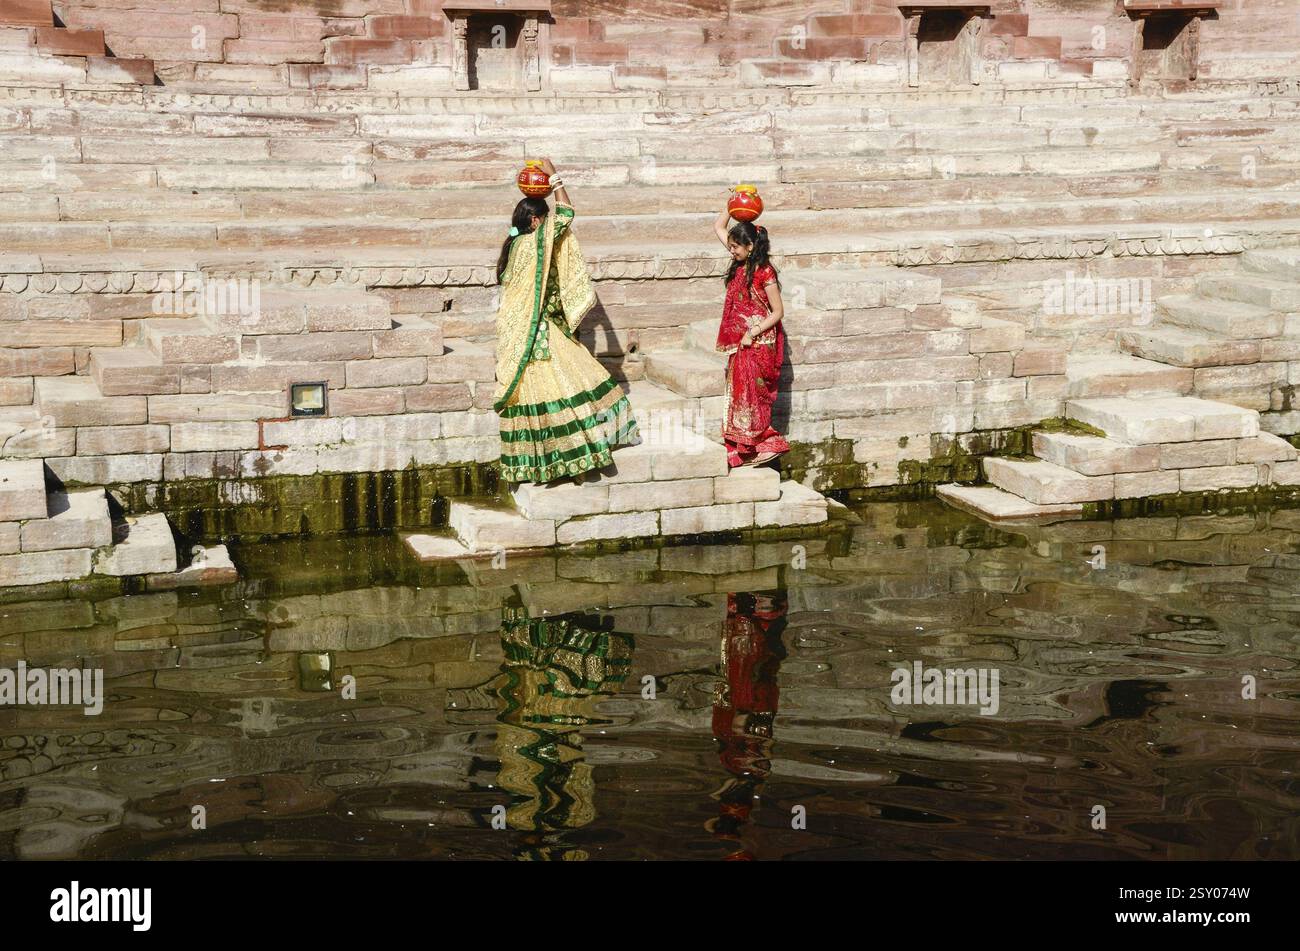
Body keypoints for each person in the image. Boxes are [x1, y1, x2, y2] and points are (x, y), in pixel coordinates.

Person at [493, 158, 638, 483]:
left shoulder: (513, 245)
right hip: (541, 334)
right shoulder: (534, 242)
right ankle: (579, 457)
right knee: (574, 381)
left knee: (537, 398)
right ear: (534, 221)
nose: (548, 225)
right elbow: (567, 213)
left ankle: (541, 468)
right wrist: (554, 174)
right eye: (544, 220)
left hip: (518, 338)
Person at [712, 197, 790, 468]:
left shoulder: (764, 272)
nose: (731, 251)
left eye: (735, 247)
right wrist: (731, 203)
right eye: (730, 246)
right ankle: (743, 448)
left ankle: (763, 445)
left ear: (750, 246)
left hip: (758, 342)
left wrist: (753, 332)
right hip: (741, 341)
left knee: (753, 395)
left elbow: (778, 312)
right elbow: (718, 226)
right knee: (738, 393)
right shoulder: (741, 261)